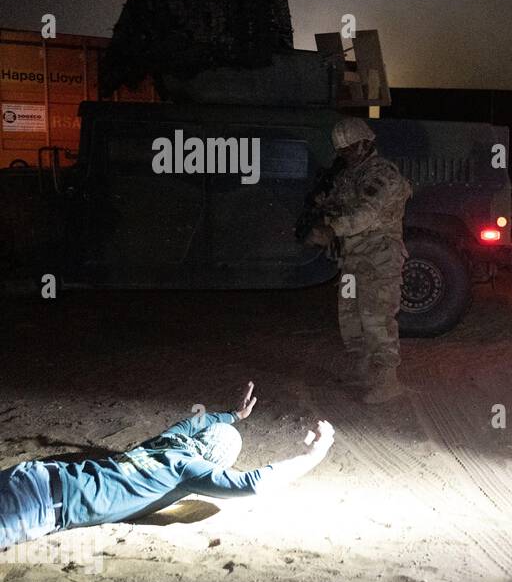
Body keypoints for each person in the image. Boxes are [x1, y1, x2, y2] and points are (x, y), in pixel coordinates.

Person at [0, 383, 334, 550]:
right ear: (213, 461)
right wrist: (313, 455)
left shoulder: (168, 441)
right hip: (44, 505)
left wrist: (234, 415)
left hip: (35, 474)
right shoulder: (188, 469)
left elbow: (193, 422)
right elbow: (252, 483)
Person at [306, 117, 412, 404]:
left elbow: (366, 214)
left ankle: (388, 381)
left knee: (377, 319)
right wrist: (320, 208)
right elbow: (337, 204)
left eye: (351, 149)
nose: (346, 155)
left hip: (379, 258)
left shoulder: (383, 175)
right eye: (341, 151)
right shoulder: (349, 174)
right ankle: (365, 372)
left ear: (366, 143)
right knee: (351, 318)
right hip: (351, 259)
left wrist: (331, 229)